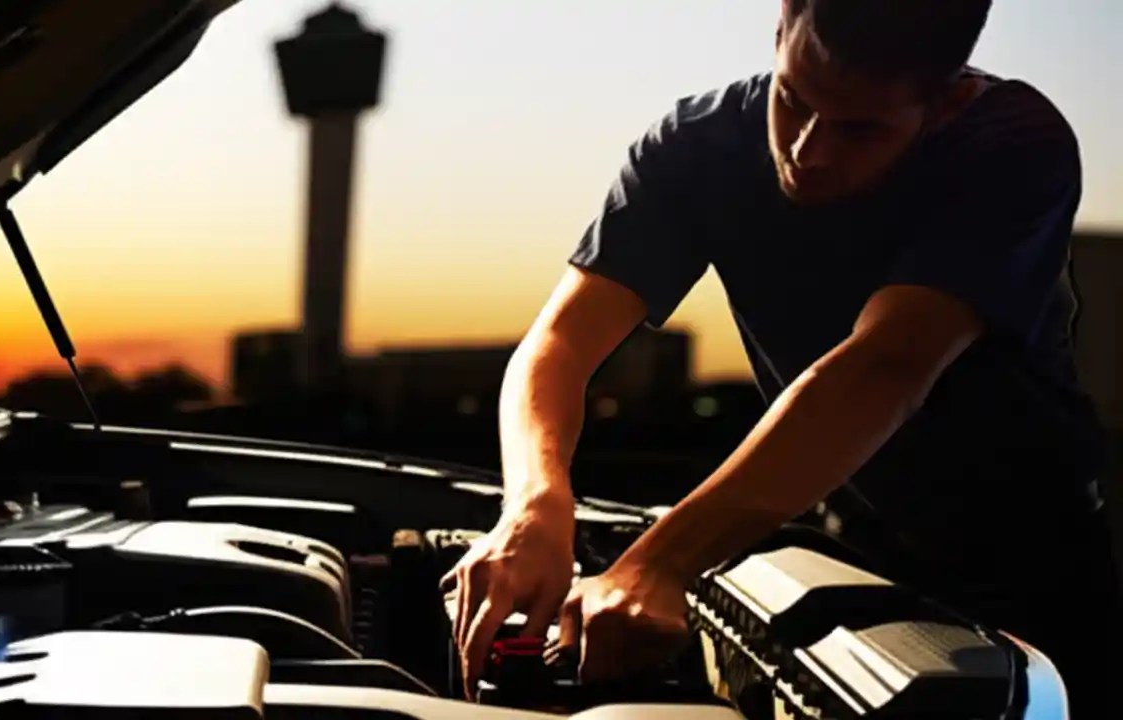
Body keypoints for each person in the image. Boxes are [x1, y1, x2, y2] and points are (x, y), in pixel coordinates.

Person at [442, 0, 1120, 714]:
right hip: (839, 537)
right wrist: (534, 503)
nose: (808, 151)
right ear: (779, 27)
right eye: (793, 101)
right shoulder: (696, 144)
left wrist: (662, 562)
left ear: (947, 104)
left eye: (859, 131)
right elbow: (559, 342)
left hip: (1029, 568)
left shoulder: (1014, 146)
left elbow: (884, 366)